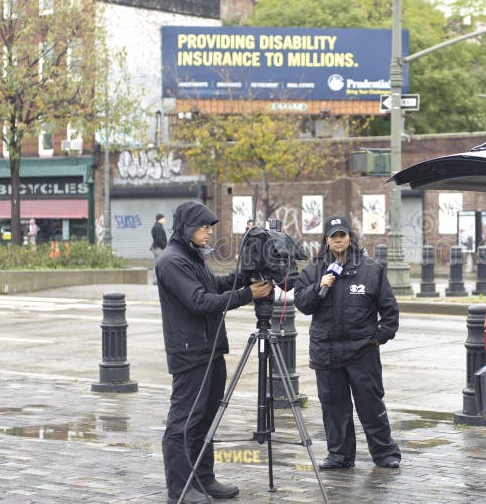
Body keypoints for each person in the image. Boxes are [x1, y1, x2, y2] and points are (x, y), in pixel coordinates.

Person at [155, 201, 272, 504]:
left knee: (207, 418)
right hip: (190, 352)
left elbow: (215, 285)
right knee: (184, 421)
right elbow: (199, 301)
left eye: (210, 227)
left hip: (210, 349)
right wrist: (248, 295)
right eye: (204, 226)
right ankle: (179, 488)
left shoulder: (192, 257)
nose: (209, 232)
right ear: (187, 228)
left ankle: (204, 479)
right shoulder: (172, 260)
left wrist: (243, 276)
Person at [294, 214, 401, 470]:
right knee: (334, 407)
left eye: (342, 235)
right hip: (326, 353)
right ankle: (339, 456)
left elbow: (390, 311)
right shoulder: (314, 270)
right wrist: (319, 286)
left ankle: (385, 453)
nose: (338, 239)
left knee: (370, 404)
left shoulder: (370, 269)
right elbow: (302, 303)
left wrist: (377, 338)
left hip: (361, 352)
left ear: (349, 237)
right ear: (326, 240)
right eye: (333, 236)